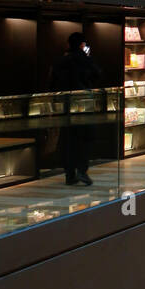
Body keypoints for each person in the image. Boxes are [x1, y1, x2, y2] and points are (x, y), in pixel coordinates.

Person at [51, 31, 101, 186]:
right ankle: (82, 170)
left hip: (66, 105)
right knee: (85, 137)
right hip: (84, 103)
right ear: (82, 45)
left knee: (68, 139)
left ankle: (69, 173)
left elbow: (53, 82)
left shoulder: (61, 61)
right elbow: (97, 74)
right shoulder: (85, 60)